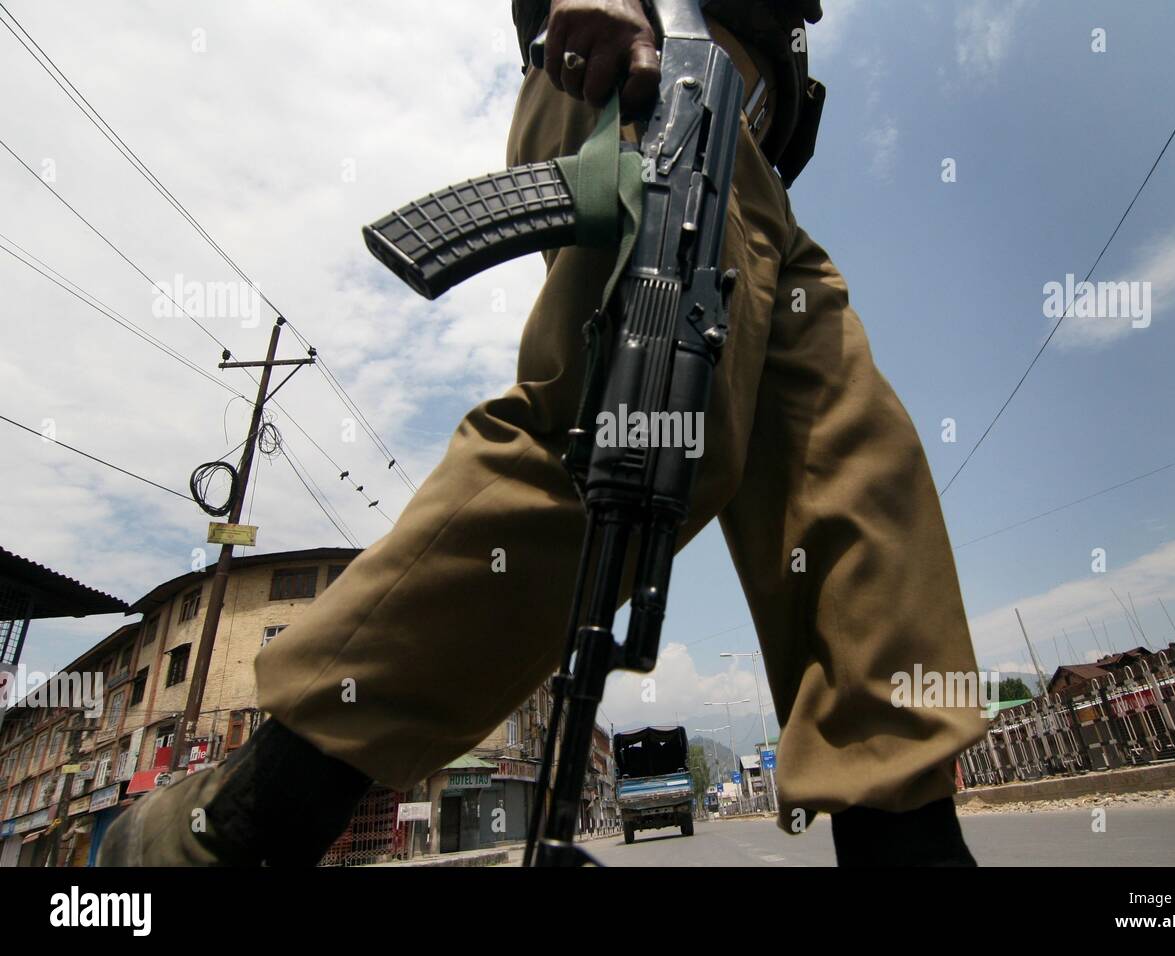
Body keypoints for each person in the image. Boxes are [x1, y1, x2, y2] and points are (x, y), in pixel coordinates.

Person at [102, 0, 985, 867]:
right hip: (644, 61)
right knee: (637, 423)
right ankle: (238, 824)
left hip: (756, 151)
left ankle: (910, 845)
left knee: (860, 471)